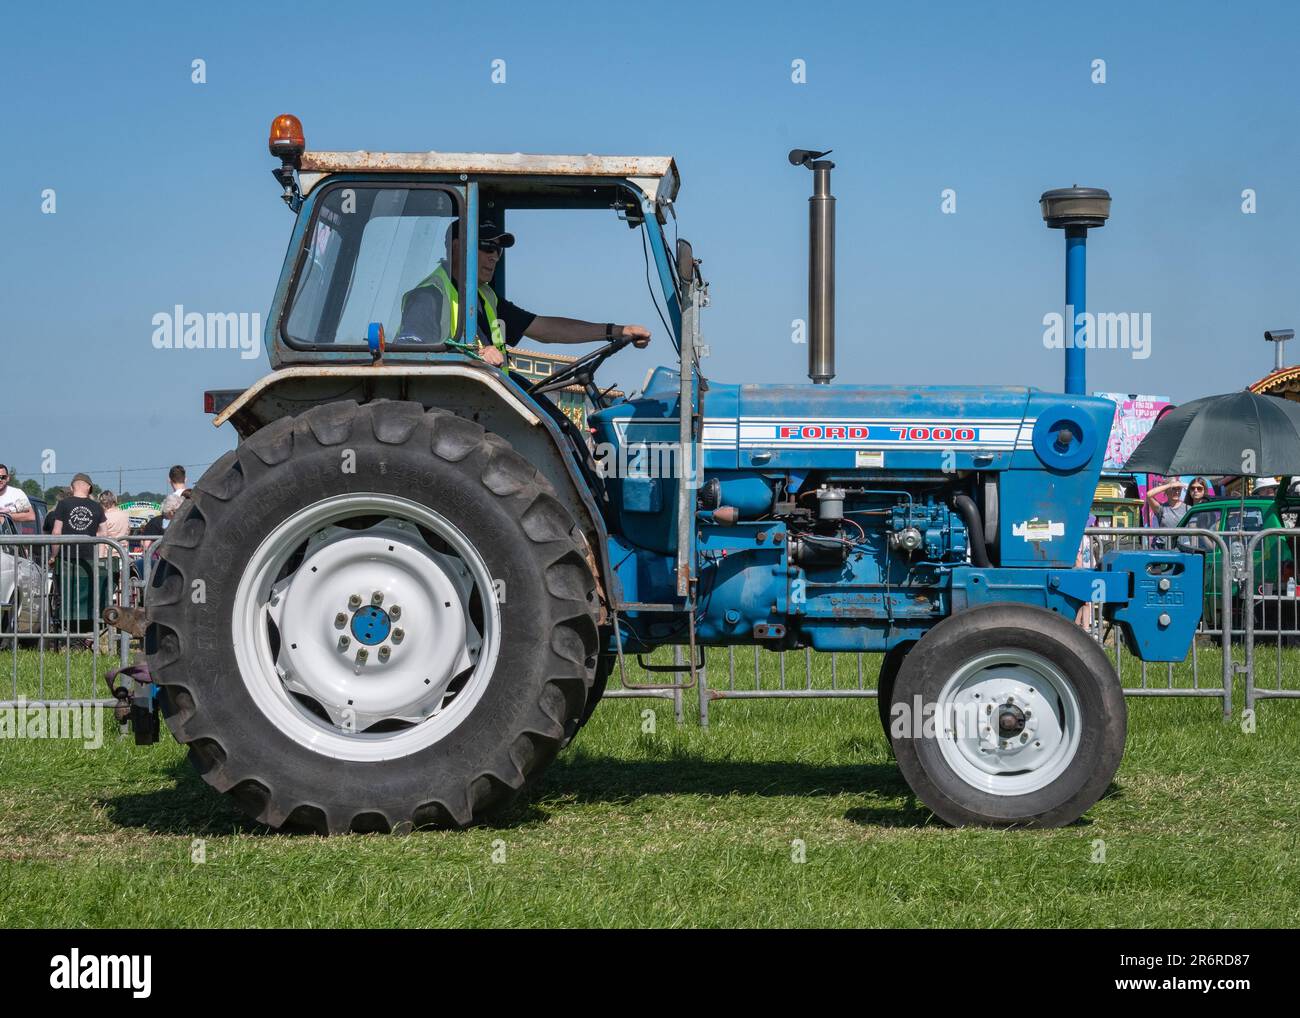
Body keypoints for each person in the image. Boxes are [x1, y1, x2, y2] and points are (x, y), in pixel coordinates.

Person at [395, 218, 651, 366]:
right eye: (486, 247)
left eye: (499, 250)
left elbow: (545, 329)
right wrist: (474, 354)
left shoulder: (485, 297)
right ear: (457, 247)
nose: (494, 256)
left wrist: (617, 331)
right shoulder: (429, 296)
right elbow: (414, 361)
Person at [97, 490, 131, 558]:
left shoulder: (104, 517)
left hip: (107, 555)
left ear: (102, 502)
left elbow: (101, 536)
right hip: (122, 553)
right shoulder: (125, 515)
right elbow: (128, 531)